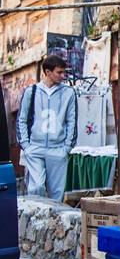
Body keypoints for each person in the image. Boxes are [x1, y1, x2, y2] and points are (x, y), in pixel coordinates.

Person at [16, 55, 77, 202]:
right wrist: (26, 146)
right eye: (59, 72)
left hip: (58, 149)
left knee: (56, 194)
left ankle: (53, 224)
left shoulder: (68, 93)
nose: (63, 76)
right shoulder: (31, 92)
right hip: (35, 148)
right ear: (48, 72)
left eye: (64, 72)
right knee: (35, 188)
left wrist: (66, 148)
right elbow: (21, 119)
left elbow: (72, 121)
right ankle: (34, 224)